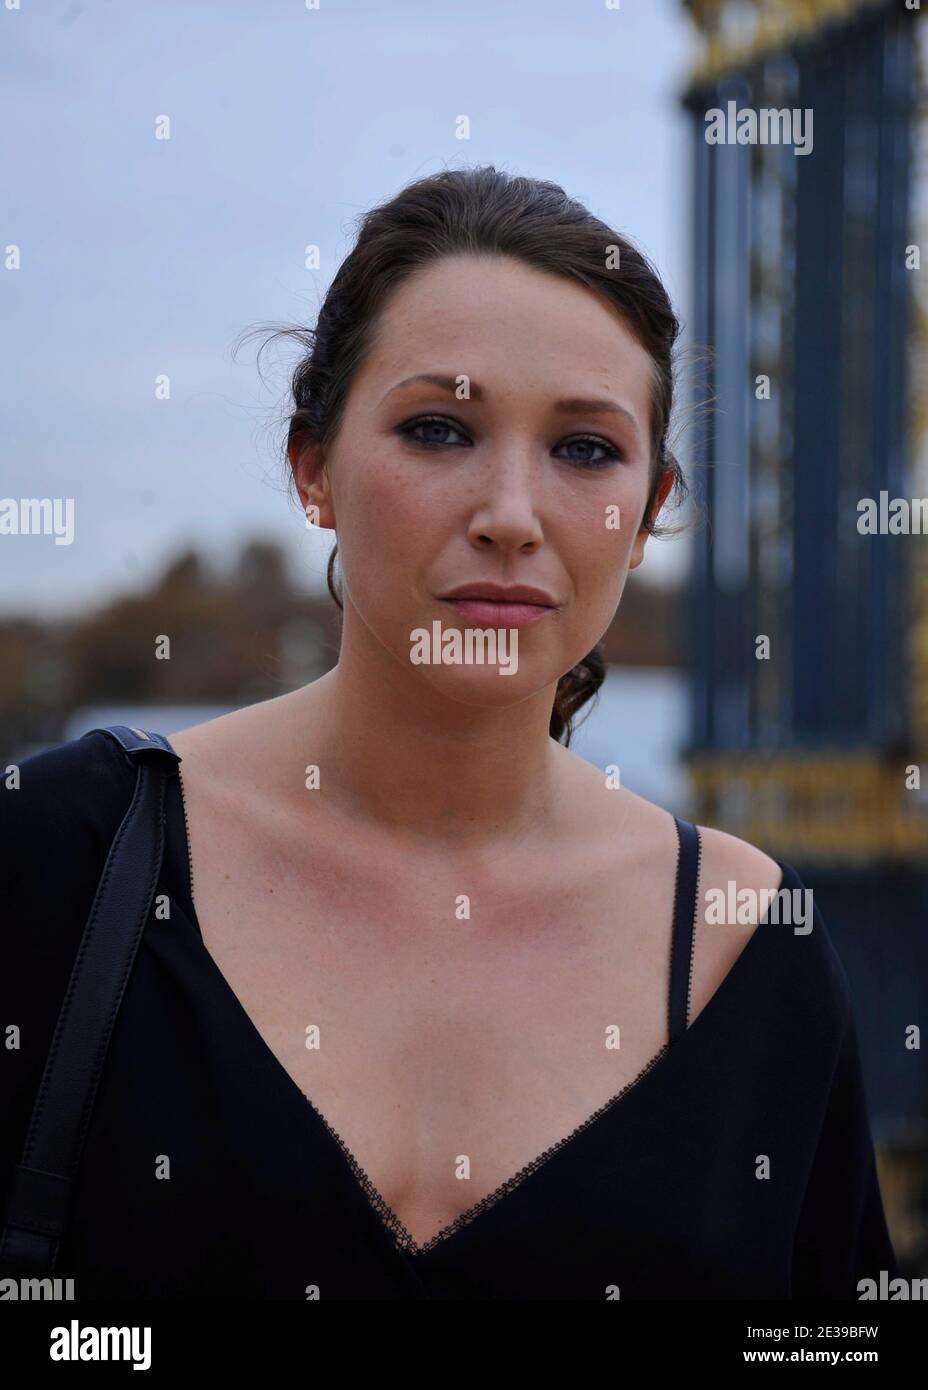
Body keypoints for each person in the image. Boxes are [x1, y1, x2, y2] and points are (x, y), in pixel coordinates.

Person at [0, 166, 896, 1299]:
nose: (511, 516)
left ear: (650, 508)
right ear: (312, 468)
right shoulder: (61, 858)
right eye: (438, 428)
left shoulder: (745, 946)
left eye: (584, 449)